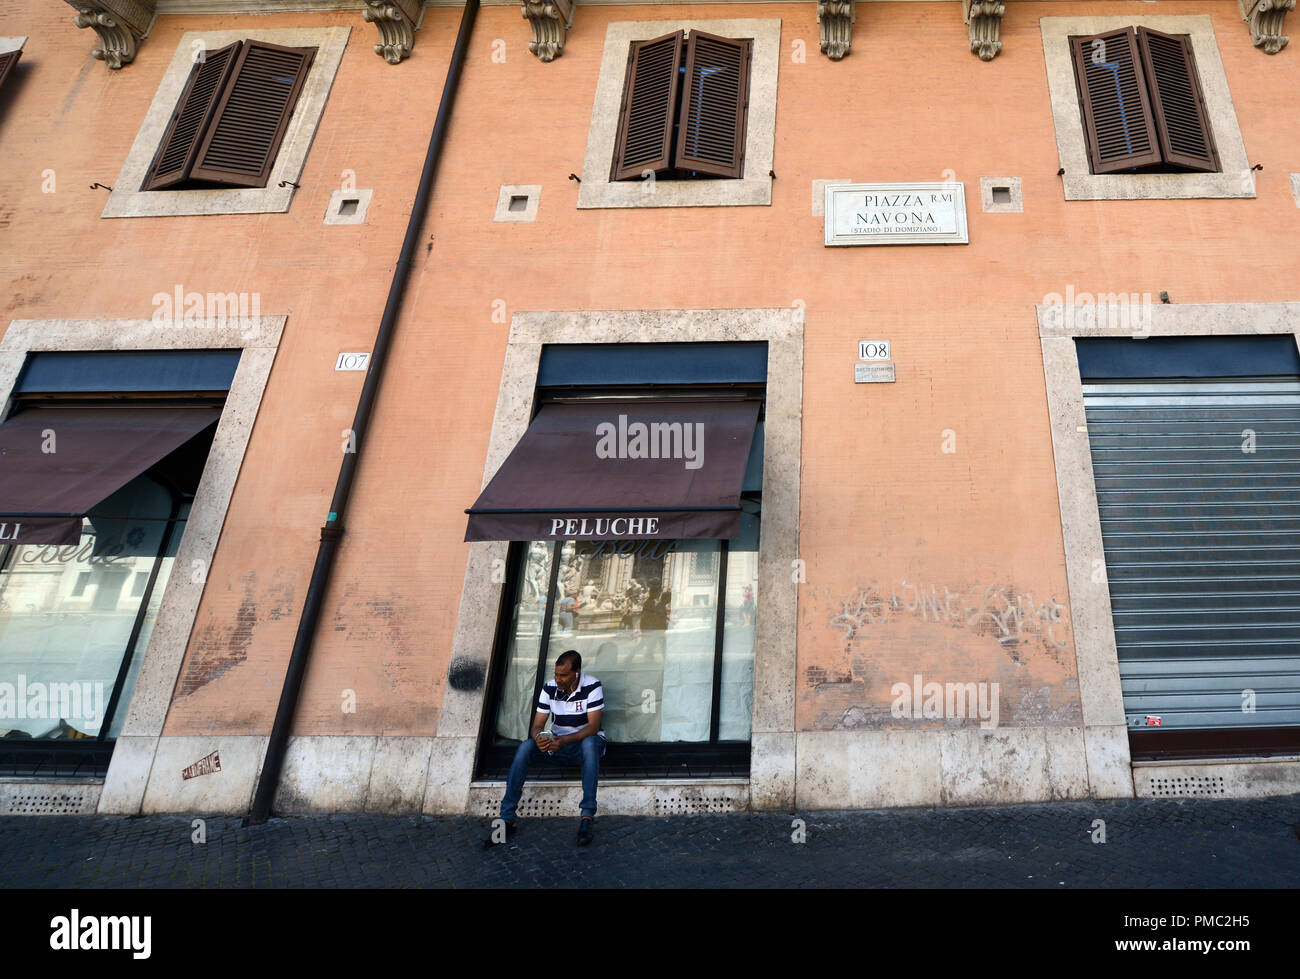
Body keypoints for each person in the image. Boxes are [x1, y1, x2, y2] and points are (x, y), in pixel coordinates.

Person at [486, 649, 607, 847]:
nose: (558, 679)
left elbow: (593, 728)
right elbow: (537, 725)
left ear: (577, 672)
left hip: (583, 745)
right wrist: (539, 738)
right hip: (557, 744)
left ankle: (587, 817)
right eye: (556, 674)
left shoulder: (592, 685)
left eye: (563, 675)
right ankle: (507, 818)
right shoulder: (550, 688)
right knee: (526, 747)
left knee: (589, 743)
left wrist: (564, 741)